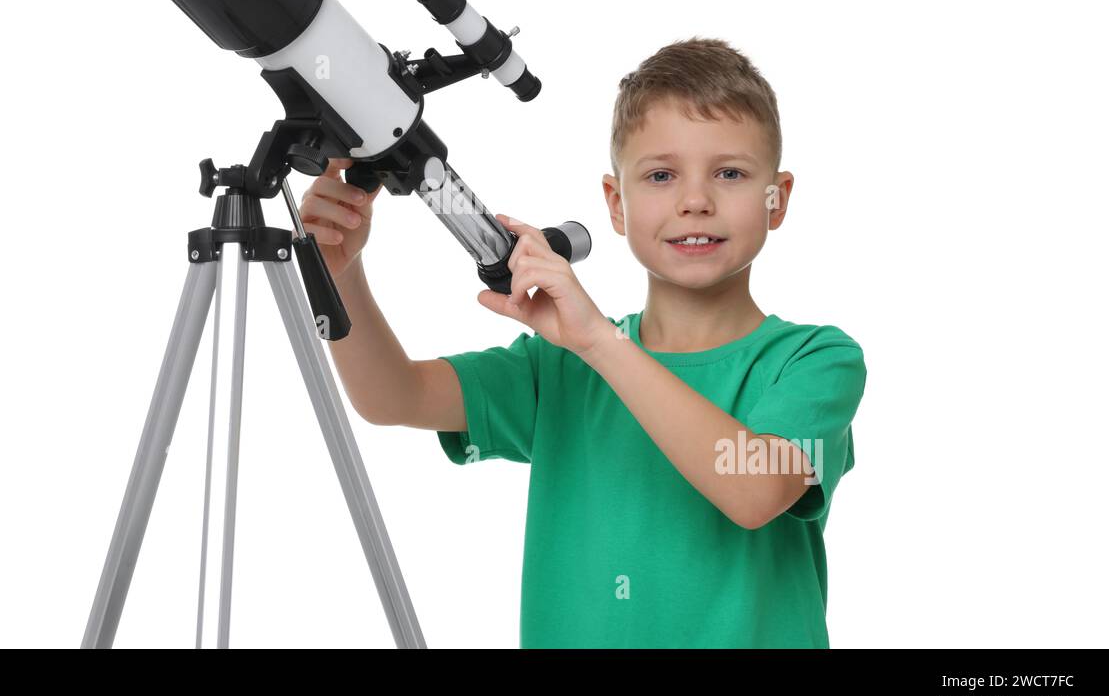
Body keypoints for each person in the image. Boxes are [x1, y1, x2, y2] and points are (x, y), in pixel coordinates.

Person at [298, 37, 868, 648]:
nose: (695, 201)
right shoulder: (561, 365)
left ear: (775, 197)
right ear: (616, 205)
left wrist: (599, 341)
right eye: (661, 175)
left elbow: (754, 489)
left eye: (729, 173)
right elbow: (392, 396)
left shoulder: (812, 359)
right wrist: (340, 273)